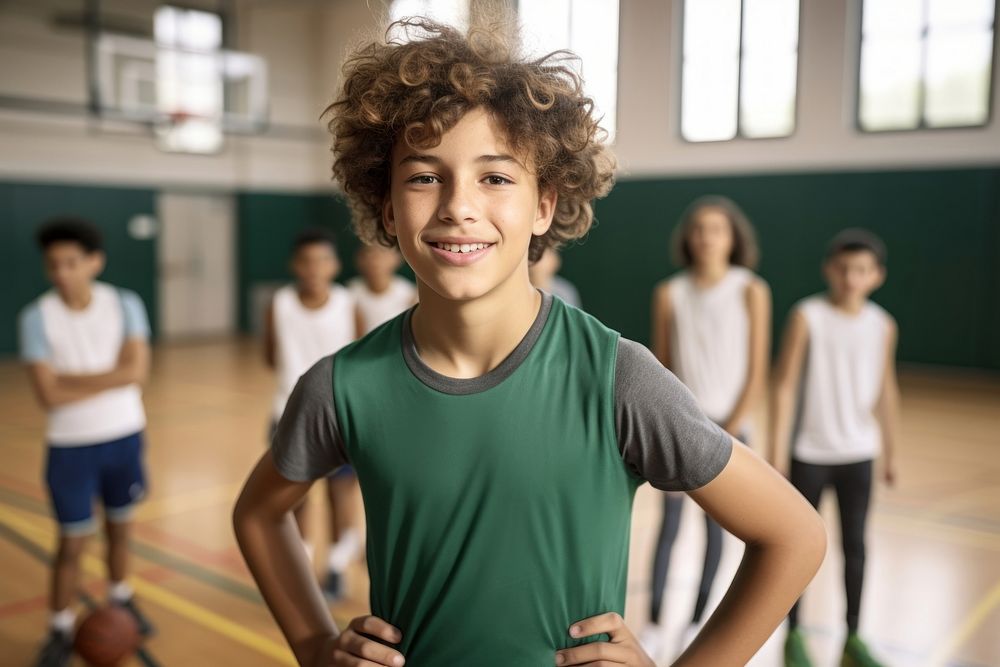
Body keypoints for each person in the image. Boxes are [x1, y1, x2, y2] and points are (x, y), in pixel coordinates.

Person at [234, 16, 826, 667]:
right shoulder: (341, 386)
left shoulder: (615, 378)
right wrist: (317, 647)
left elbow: (793, 535)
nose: (459, 206)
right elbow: (260, 515)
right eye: (425, 176)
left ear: (544, 204)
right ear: (385, 206)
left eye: (494, 177)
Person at [641, 196, 771, 660]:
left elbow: (758, 369)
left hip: (732, 429)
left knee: (719, 532)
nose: (706, 237)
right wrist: (675, 424)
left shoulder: (750, 289)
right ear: (687, 238)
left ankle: (698, 619)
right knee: (670, 525)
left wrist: (731, 428)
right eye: (698, 228)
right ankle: (656, 621)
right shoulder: (669, 293)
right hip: (682, 425)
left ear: (733, 238)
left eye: (716, 229)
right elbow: (662, 367)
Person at [19, 219, 154, 667]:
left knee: (121, 529)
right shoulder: (36, 317)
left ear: (94, 262)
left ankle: (121, 598)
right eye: (53, 264)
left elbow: (137, 373)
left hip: (125, 437)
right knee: (71, 544)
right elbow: (47, 394)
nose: (61, 273)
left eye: (71, 262)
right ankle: (59, 627)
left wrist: (72, 378)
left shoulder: (125, 304)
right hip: (70, 447)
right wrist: (110, 375)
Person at [769, 229, 900, 667]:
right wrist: (776, 448)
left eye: (861, 270)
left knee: (856, 546)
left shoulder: (882, 324)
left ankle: (854, 636)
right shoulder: (808, 316)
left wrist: (892, 451)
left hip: (859, 453)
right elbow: (784, 385)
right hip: (809, 453)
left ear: (876, 276)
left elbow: (886, 389)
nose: (850, 278)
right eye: (843, 268)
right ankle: (794, 636)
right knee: (799, 547)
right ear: (829, 269)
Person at [263, 228, 361, 597]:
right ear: (294, 265)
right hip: (287, 414)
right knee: (296, 498)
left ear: (334, 265)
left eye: (322, 259)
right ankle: (302, 568)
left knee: (340, 496)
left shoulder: (347, 302)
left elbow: (359, 355)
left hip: (339, 417)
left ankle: (335, 567)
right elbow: (270, 355)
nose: (314, 268)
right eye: (306, 260)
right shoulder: (280, 302)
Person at [348, 244, 417, 335]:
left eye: (382, 253)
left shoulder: (410, 295)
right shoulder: (349, 293)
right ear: (359, 259)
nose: (375, 259)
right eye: (369, 253)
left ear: (397, 258)